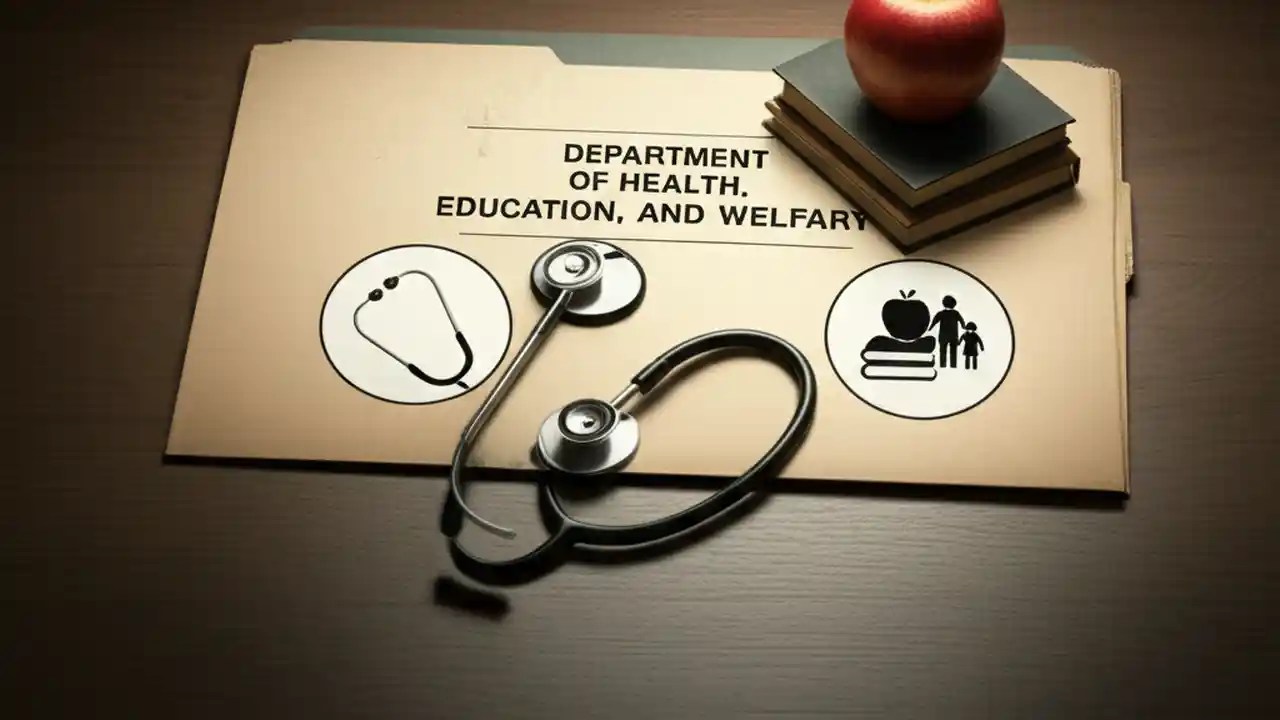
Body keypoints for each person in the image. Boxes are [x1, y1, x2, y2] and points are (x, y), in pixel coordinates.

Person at [928, 295, 965, 368]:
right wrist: (964, 327)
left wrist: (930, 329)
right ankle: (953, 366)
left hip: (943, 336)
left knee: (942, 352)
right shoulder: (956, 313)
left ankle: (942, 366)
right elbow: (962, 322)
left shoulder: (941, 313)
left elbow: (934, 322)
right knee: (953, 352)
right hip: (953, 336)